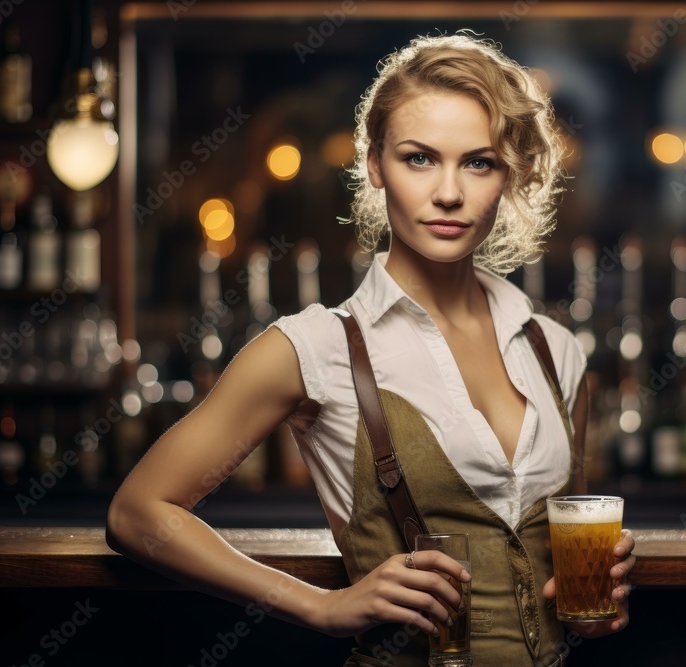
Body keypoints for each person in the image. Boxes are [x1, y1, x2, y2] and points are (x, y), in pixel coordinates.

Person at [106, 33, 636, 666]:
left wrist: (599, 606)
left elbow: (560, 572)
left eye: (478, 162)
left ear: (510, 175)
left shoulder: (554, 350)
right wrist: (319, 605)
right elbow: (138, 514)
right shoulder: (314, 347)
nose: (448, 192)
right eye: (419, 159)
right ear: (375, 165)